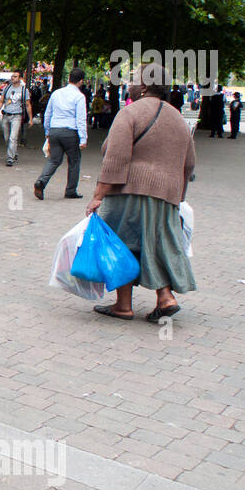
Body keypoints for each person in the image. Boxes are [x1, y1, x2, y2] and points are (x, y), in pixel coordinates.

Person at [86, 62, 196, 321]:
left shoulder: (131, 113)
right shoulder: (178, 118)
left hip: (129, 191)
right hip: (166, 195)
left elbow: (115, 159)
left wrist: (98, 195)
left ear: (145, 86)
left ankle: (123, 306)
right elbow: (189, 163)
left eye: (134, 78)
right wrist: (177, 197)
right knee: (158, 245)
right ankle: (165, 298)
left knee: (122, 244)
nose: (130, 82)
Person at [34, 67, 88, 200]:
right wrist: (83, 138)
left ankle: (41, 181)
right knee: (74, 161)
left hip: (55, 130)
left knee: (54, 160)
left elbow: (48, 114)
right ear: (81, 81)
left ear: (69, 78)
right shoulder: (79, 97)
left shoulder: (56, 93)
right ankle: (70, 190)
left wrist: (47, 131)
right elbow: (81, 119)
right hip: (70, 132)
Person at [0, 70, 31, 166]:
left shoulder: (24, 90)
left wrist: (31, 118)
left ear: (20, 78)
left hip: (17, 116)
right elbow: (1, 101)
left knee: (13, 138)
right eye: (12, 76)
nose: (13, 78)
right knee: (6, 138)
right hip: (6, 115)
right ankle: (14, 152)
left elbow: (28, 105)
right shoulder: (7, 88)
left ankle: (10, 158)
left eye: (15, 76)